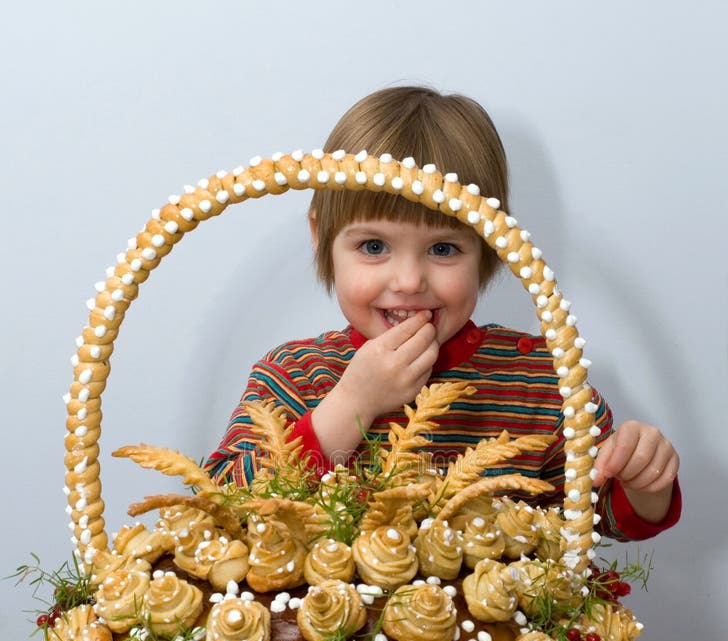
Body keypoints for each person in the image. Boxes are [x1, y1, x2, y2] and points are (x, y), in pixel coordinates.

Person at [206, 85, 680, 541]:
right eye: (374, 246)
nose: (409, 281)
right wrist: (351, 406)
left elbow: (600, 517)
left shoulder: (544, 385)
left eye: (443, 248)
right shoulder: (293, 376)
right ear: (321, 236)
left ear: (491, 250)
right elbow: (224, 503)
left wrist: (642, 480)